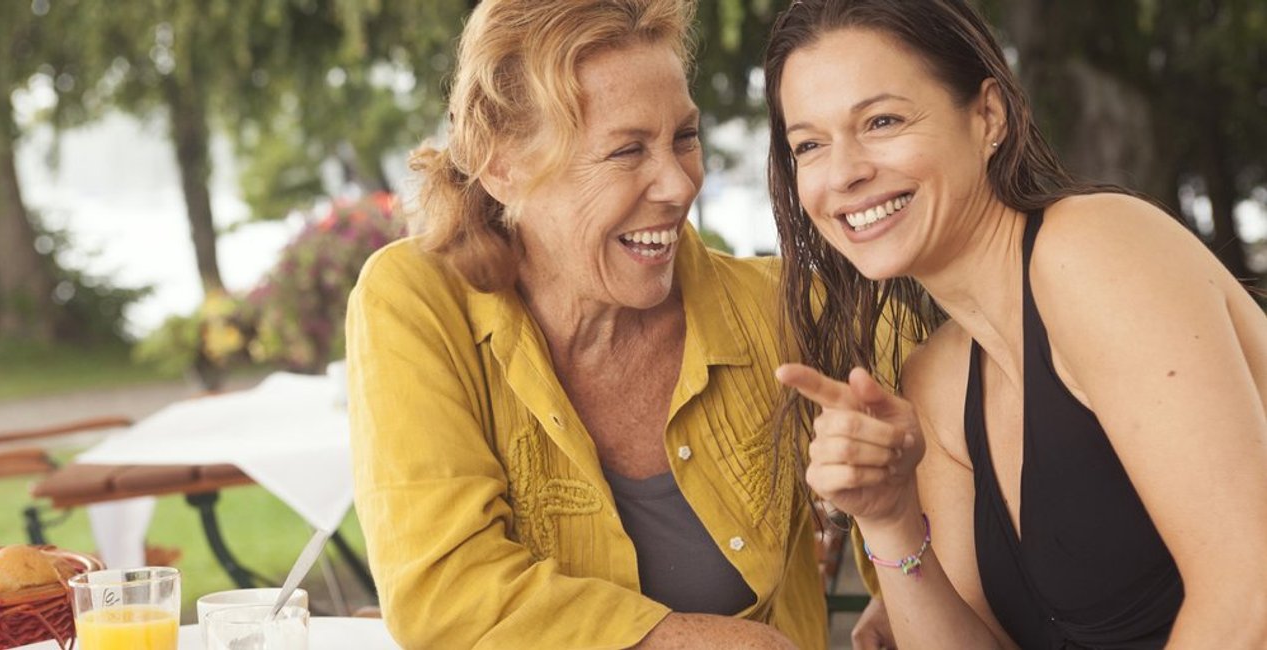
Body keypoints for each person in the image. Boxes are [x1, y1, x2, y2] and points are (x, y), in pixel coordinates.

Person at [762, 0, 1267, 648]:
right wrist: (889, 521)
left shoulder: (1093, 252)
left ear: (988, 117)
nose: (845, 171)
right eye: (809, 144)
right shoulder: (937, 380)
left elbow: (1249, 591)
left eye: (882, 120)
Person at [345, 1, 827, 648]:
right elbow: (445, 592)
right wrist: (700, 642)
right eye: (627, 150)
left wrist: (897, 551)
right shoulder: (417, 301)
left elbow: (952, 408)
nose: (679, 184)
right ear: (502, 166)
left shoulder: (780, 308)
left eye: (685, 137)